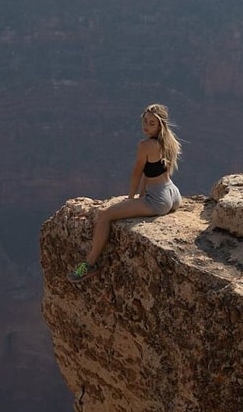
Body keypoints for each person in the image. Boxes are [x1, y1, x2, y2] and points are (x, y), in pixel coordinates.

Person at [68, 103, 182, 281]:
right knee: (115, 211)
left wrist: (130, 198)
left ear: (160, 125)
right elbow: (152, 171)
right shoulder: (169, 141)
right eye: (145, 121)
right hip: (173, 194)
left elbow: (138, 172)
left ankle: (89, 264)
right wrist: (142, 193)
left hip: (158, 200)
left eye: (152, 123)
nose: (146, 126)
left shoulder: (145, 145)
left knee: (105, 216)